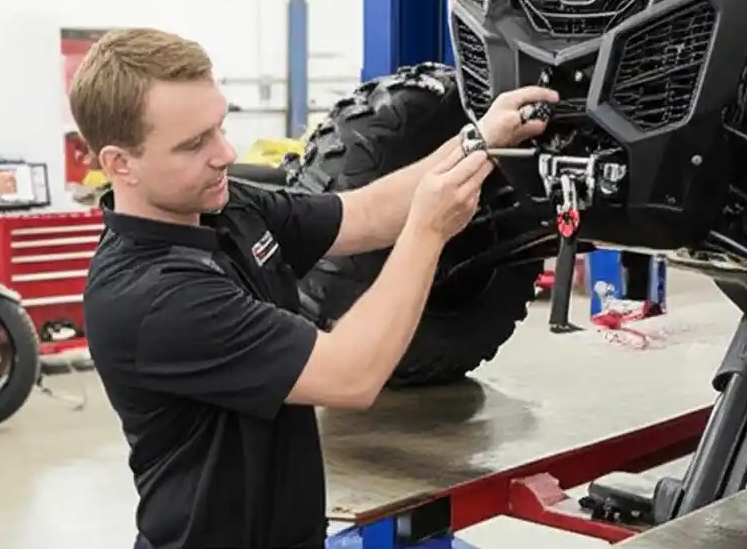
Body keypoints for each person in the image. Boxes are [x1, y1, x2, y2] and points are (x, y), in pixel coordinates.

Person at [68, 28, 558, 549]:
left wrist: (480, 139)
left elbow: (362, 213)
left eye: (219, 127)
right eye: (194, 144)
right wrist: (428, 231)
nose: (225, 153)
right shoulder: (151, 296)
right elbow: (351, 376)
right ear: (120, 164)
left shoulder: (226, 208)